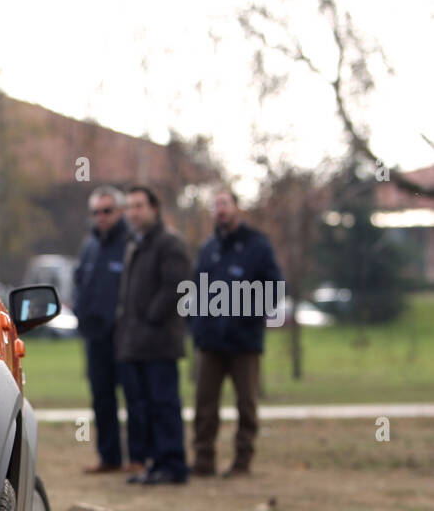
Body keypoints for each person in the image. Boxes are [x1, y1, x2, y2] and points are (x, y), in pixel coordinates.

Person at [189, 188, 284, 477]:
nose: (220, 209)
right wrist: (197, 324)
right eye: (215, 205)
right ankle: (204, 460)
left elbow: (275, 288)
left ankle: (242, 461)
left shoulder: (257, 246)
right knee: (205, 404)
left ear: (236, 207)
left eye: (225, 203)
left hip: (244, 343)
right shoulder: (208, 248)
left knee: (246, 403)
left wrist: (247, 318)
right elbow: (196, 290)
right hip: (210, 343)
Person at [114, 185, 192, 485]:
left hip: (159, 343)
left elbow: (175, 286)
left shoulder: (169, 243)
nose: (133, 212)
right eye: (130, 207)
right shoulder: (135, 244)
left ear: (154, 209)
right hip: (135, 344)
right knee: (143, 406)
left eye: (138, 206)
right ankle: (155, 464)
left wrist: (149, 318)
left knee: (163, 404)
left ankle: (173, 465)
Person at [72, 186, 145, 475]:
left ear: (119, 211)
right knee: (102, 397)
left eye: (106, 211)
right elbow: (79, 282)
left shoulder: (131, 243)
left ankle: (138, 457)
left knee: (134, 396)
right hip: (95, 336)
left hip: (124, 335)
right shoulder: (90, 245)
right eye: (96, 212)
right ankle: (109, 456)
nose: (101, 217)